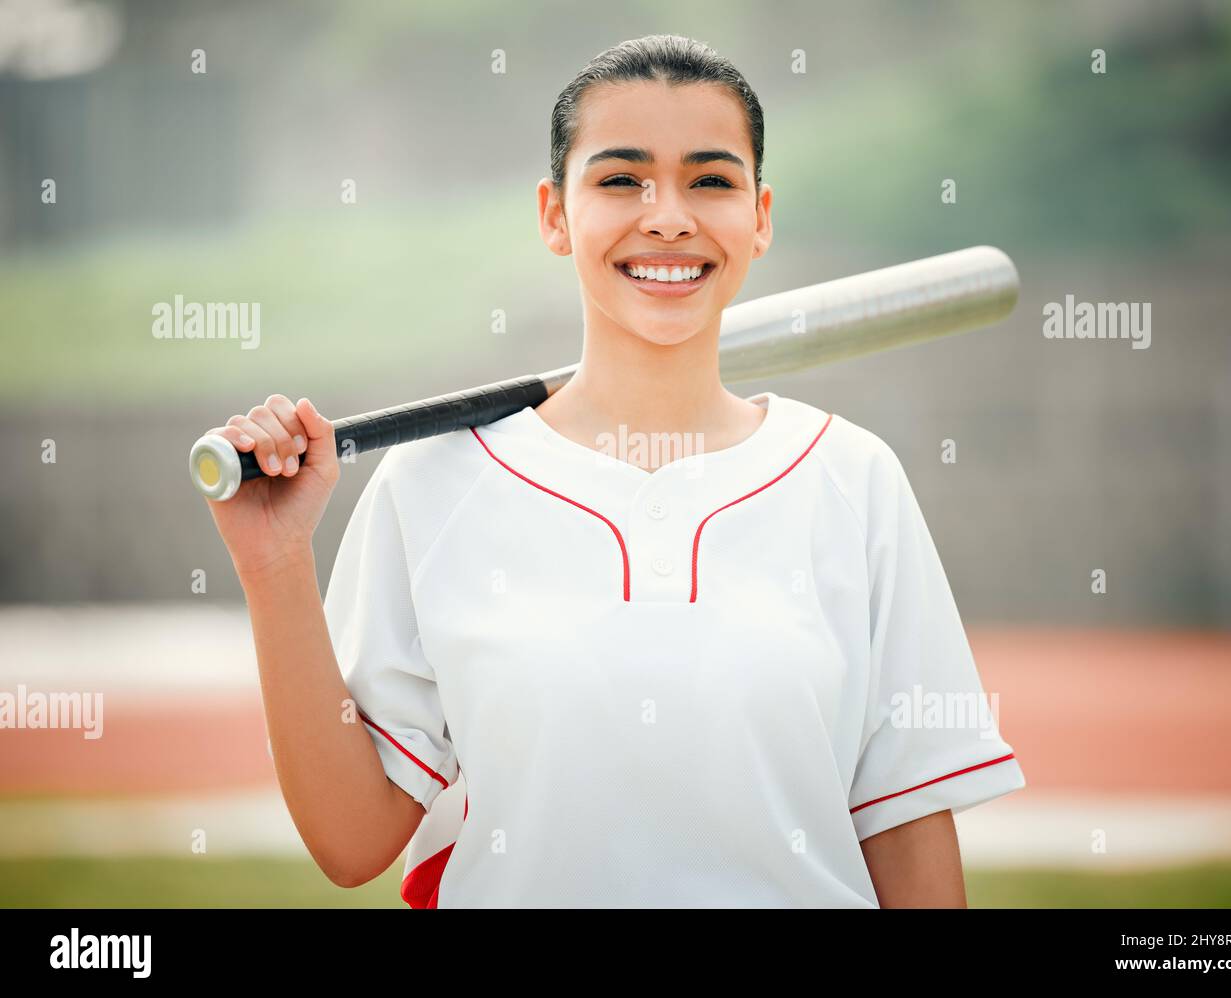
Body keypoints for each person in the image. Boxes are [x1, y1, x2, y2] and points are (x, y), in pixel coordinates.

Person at [204, 34, 1025, 908]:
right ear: (555, 215)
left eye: (711, 180)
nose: (667, 214)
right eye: (620, 178)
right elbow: (350, 840)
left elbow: (906, 841)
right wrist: (275, 563)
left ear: (761, 215)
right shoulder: (432, 487)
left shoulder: (854, 481)